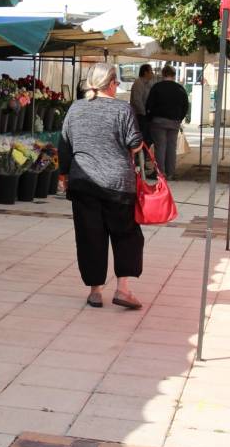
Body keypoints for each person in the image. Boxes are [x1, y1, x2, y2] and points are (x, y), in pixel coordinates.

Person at [58, 62, 144, 311]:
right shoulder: (122, 110)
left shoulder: (76, 108)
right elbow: (135, 143)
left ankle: (95, 291)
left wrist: (63, 174)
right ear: (111, 84)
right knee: (125, 235)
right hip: (117, 183)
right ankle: (123, 289)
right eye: (117, 82)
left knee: (89, 237)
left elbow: (64, 144)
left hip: (83, 183)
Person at [145, 66, 190, 180]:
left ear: (162, 74)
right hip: (174, 121)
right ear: (174, 75)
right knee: (171, 147)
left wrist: (150, 118)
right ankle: (171, 173)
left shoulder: (157, 87)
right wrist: (179, 118)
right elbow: (186, 105)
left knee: (160, 147)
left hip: (158, 121)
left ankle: (160, 173)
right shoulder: (180, 88)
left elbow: (149, 105)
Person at [129, 64, 155, 144]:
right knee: (142, 137)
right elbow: (137, 100)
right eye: (151, 71)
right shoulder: (138, 83)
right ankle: (139, 155)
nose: (152, 73)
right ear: (145, 72)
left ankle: (144, 154)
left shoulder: (149, 83)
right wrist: (144, 113)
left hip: (146, 114)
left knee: (148, 138)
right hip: (140, 115)